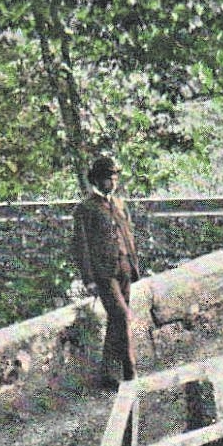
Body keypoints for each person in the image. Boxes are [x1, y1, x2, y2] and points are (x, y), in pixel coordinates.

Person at [71, 154, 142, 389]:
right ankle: (130, 370)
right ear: (97, 181)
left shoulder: (119, 205)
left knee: (115, 321)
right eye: (108, 178)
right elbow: (81, 246)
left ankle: (108, 374)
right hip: (104, 274)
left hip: (124, 269)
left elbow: (128, 235)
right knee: (121, 315)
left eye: (115, 177)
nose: (113, 182)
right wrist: (89, 279)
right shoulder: (86, 209)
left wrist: (133, 265)